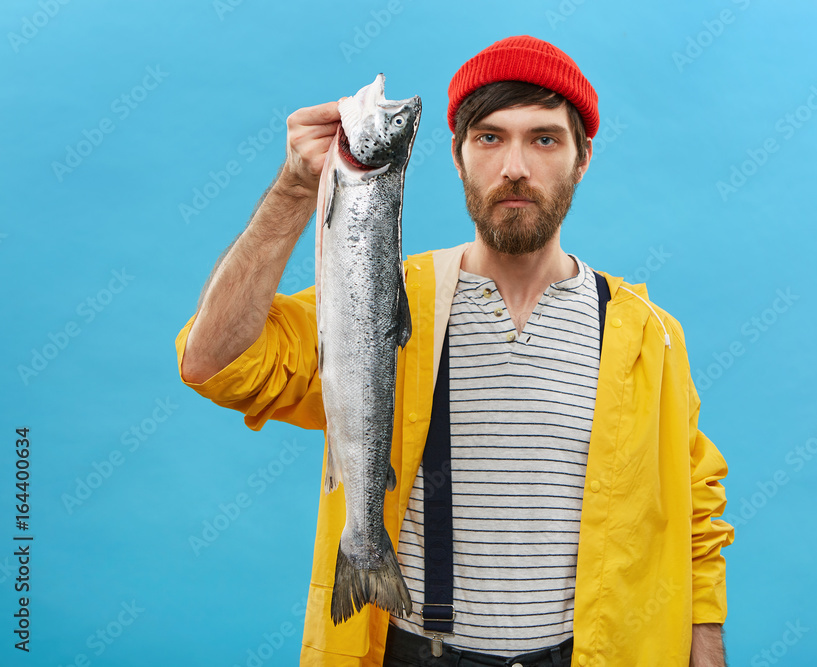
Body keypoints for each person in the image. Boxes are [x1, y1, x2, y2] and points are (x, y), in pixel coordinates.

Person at [176, 35, 735, 667]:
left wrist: (706, 642)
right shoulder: (381, 294)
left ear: (583, 160)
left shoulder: (648, 334)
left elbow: (696, 505)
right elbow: (213, 363)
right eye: (490, 137)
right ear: (457, 154)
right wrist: (292, 192)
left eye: (544, 138)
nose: (515, 166)